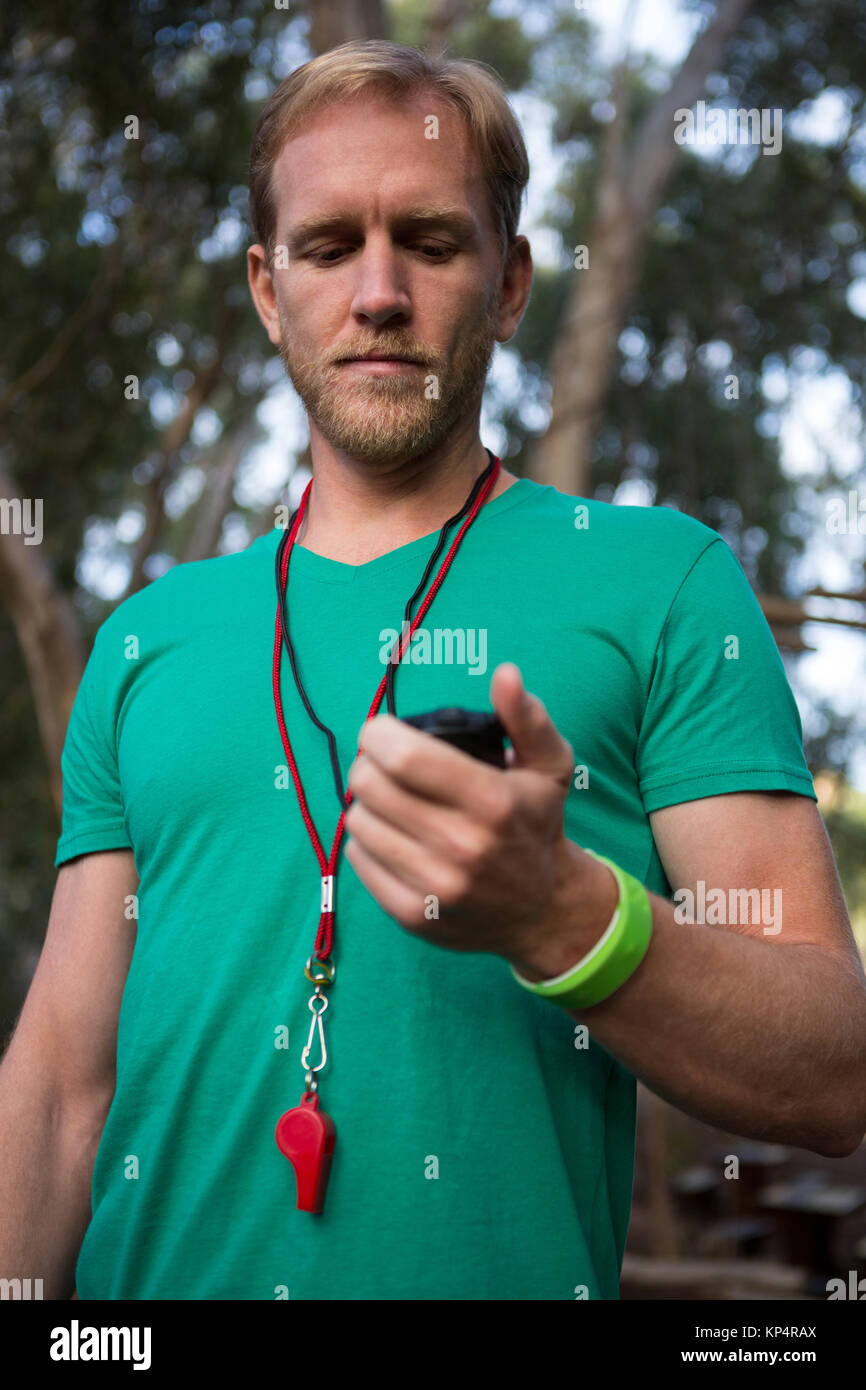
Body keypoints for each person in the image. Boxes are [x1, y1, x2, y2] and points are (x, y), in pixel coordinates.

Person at [2, 39, 864, 1304]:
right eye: (327, 245)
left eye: (432, 241)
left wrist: (564, 915)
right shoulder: (146, 637)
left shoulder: (662, 583)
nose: (379, 292)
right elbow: (63, 1087)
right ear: (264, 286)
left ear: (510, 284)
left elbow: (835, 1071)